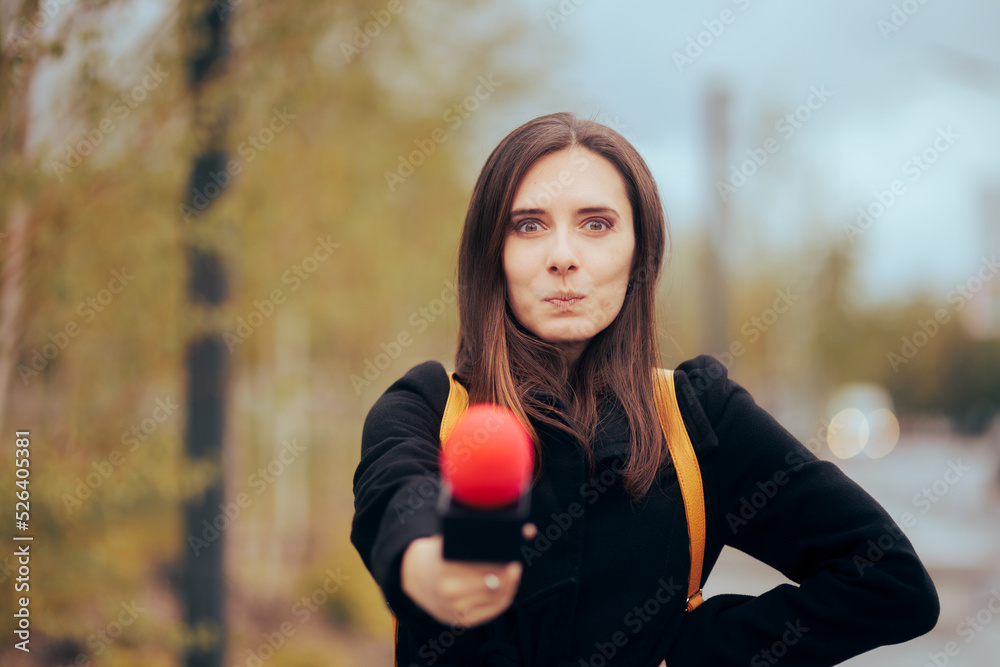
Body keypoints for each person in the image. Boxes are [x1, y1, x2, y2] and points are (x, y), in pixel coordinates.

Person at [351, 112, 940, 666]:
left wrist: (689, 652)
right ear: (491, 256)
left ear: (640, 254)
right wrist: (427, 566)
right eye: (528, 225)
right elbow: (395, 500)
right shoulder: (428, 409)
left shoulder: (697, 417)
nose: (563, 257)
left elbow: (888, 581)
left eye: (596, 224)